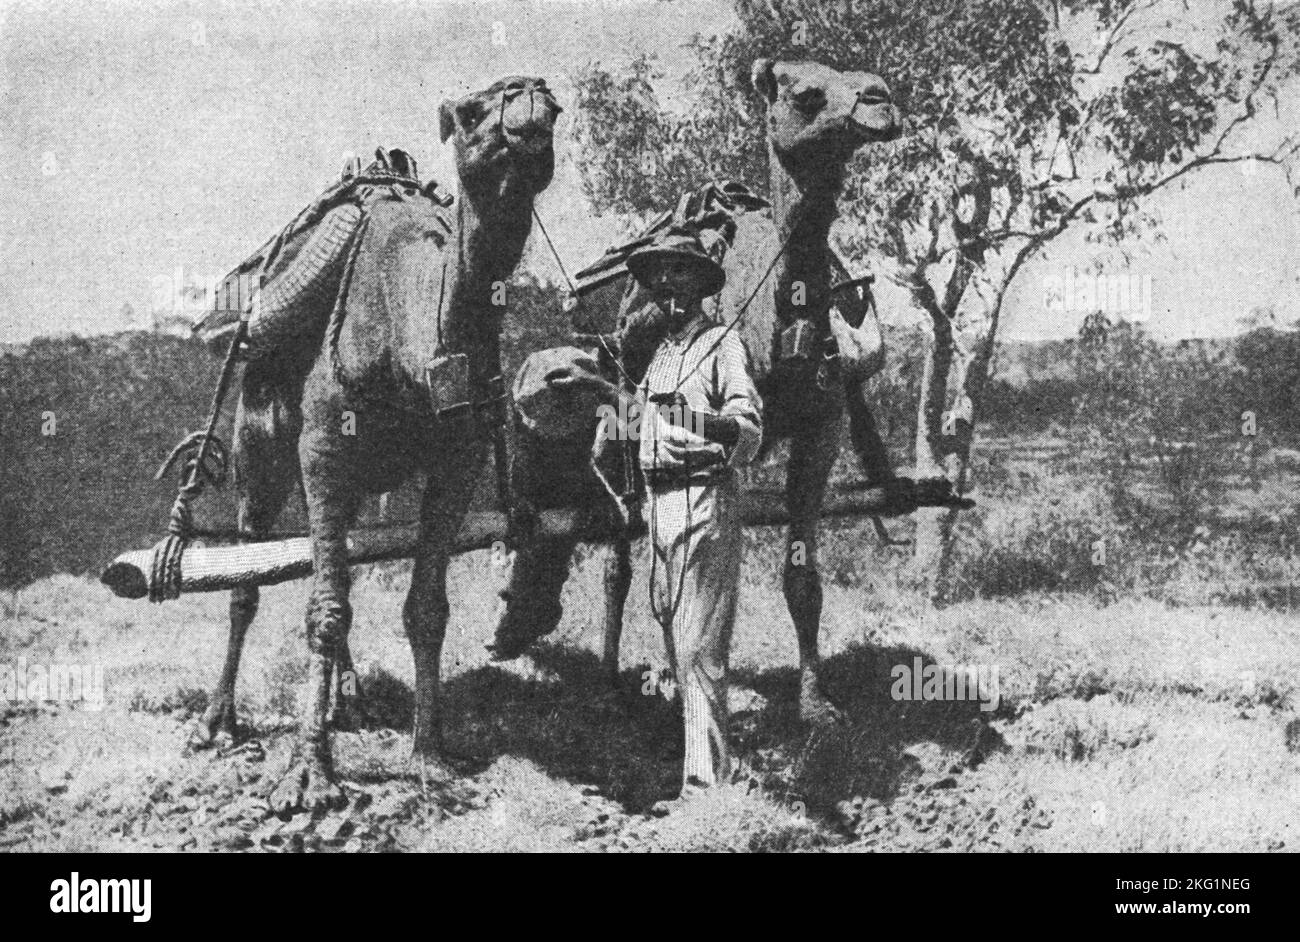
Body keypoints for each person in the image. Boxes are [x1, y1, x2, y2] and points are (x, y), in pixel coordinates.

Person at [624, 225, 763, 804]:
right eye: (659, 276)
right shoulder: (661, 355)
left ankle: (709, 793)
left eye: (680, 272)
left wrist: (699, 426)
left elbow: (749, 427)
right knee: (675, 643)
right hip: (659, 505)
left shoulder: (723, 344)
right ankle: (696, 778)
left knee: (698, 650)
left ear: (703, 284)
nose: (666, 284)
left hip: (704, 499)